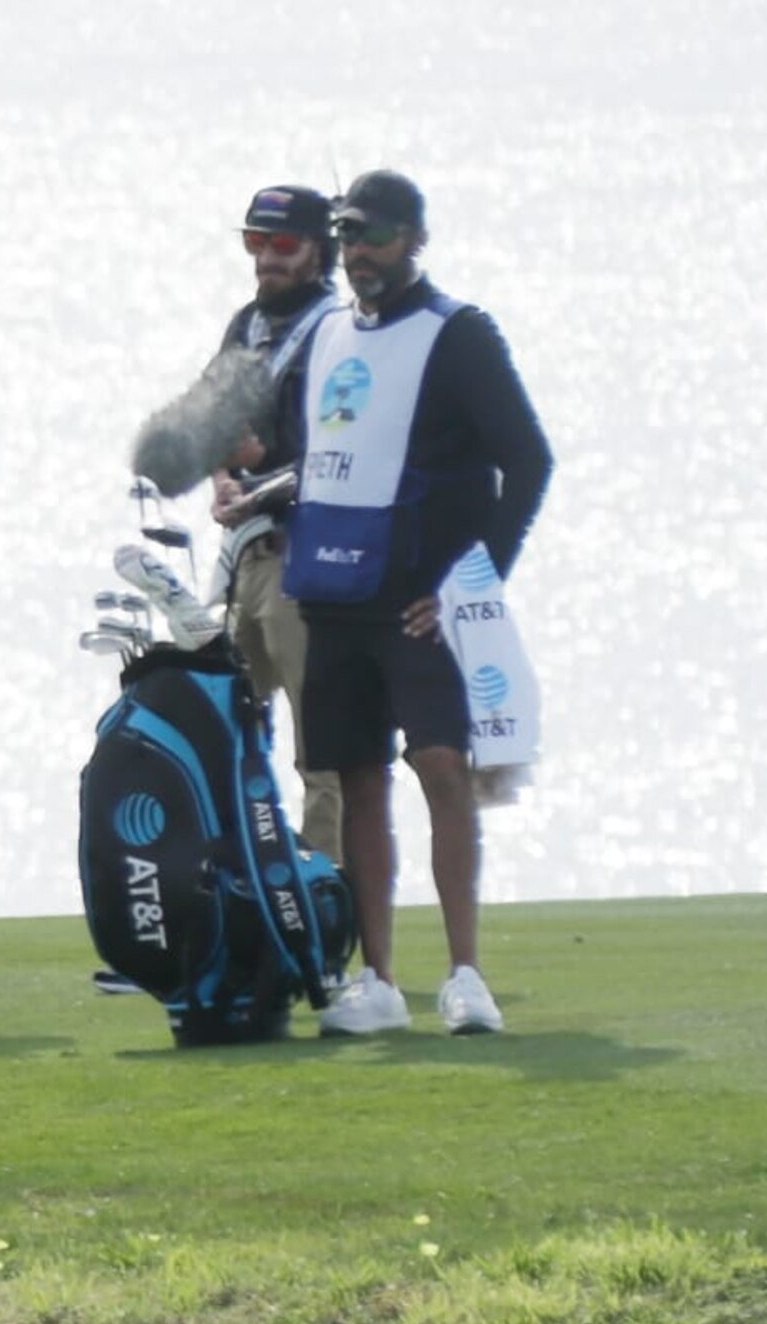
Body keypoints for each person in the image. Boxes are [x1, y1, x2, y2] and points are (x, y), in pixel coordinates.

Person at [283, 172, 552, 1035]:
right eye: (349, 237)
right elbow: (318, 452)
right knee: (356, 780)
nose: (360, 254)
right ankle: (381, 983)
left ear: (415, 241)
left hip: (419, 604)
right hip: (334, 596)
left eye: (376, 237)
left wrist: (472, 583)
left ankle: (466, 974)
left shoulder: (459, 334)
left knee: (442, 771)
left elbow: (529, 462)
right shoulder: (323, 333)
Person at [209, 184, 346, 862]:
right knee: (231, 740)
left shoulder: (338, 327)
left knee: (322, 754)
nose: (266, 259)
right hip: (246, 557)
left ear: (320, 251)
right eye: (255, 243)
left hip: (308, 558)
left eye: (283, 245)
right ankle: (243, 901)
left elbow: (339, 453)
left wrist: (260, 474)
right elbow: (212, 421)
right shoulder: (247, 325)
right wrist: (224, 477)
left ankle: (329, 919)